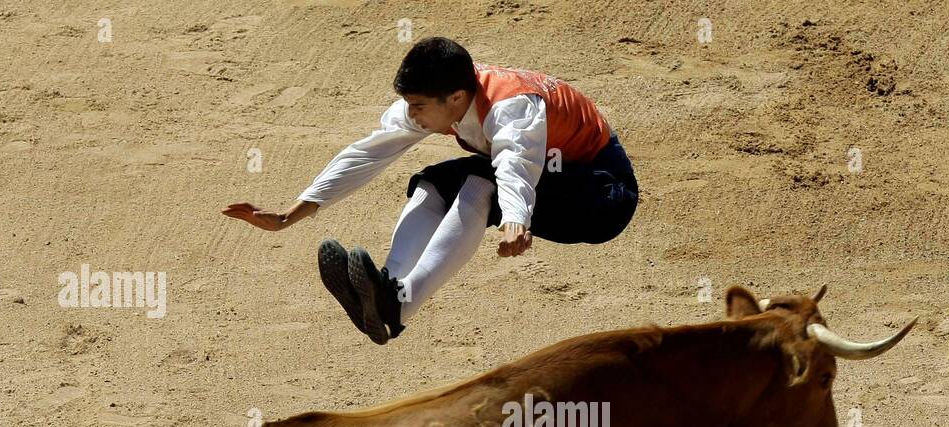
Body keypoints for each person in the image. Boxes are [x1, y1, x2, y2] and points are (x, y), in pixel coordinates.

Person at [223, 36, 639, 344]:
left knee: (484, 181)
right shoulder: (440, 96)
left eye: (419, 106)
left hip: (601, 197)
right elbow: (369, 152)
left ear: (456, 97)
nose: (412, 115)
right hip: (552, 180)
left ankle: (401, 305)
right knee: (435, 181)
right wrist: (290, 215)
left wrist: (516, 219)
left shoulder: (512, 107)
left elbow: (516, 163)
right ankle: (390, 290)